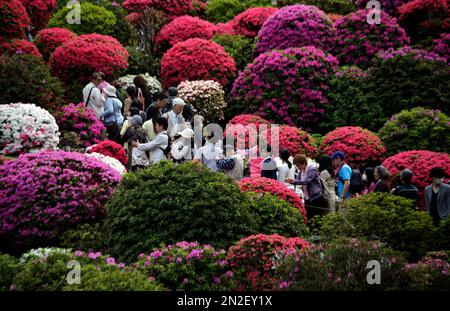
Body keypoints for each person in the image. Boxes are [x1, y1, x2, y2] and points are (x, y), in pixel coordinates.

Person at [286, 155, 325, 220]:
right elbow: (298, 179)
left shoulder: (312, 169)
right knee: (308, 216)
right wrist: (292, 180)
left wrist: (294, 182)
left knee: (316, 217)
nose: (297, 167)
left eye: (298, 165)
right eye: (296, 166)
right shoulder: (301, 170)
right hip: (307, 197)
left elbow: (306, 181)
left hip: (315, 196)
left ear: (304, 163)